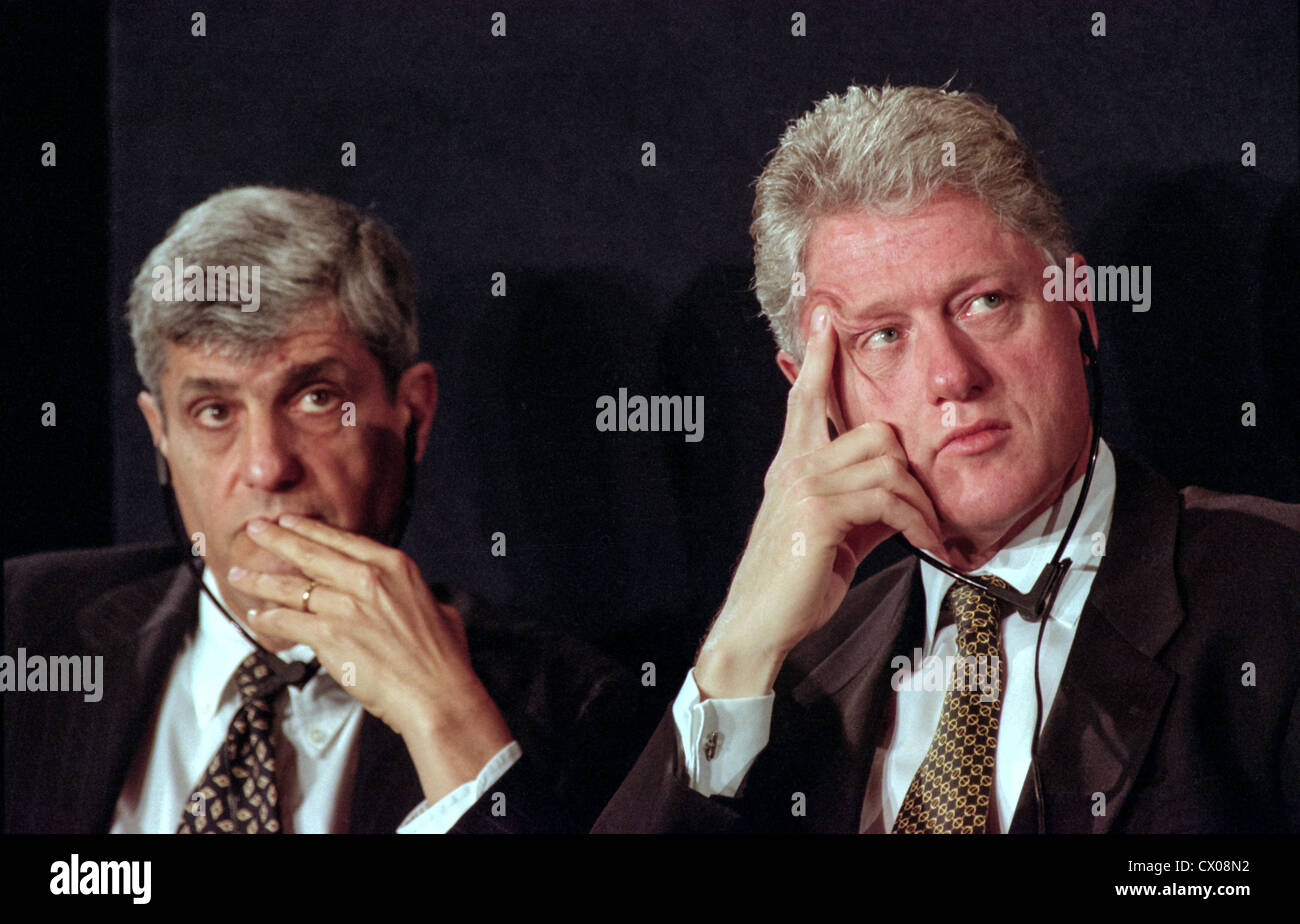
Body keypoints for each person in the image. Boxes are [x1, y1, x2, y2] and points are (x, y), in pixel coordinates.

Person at [594, 84, 1300, 834]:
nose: (952, 377)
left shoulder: (1274, 590)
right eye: (884, 336)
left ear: (1078, 310)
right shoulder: (788, 683)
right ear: (816, 398)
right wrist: (738, 645)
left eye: (985, 302)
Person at [4, 186, 633, 833]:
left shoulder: (570, 708)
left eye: (315, 398)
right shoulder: (22, 630)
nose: (268, 465)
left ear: (413, 413)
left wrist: (444, 718)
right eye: (214, 412)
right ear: (159, 433)